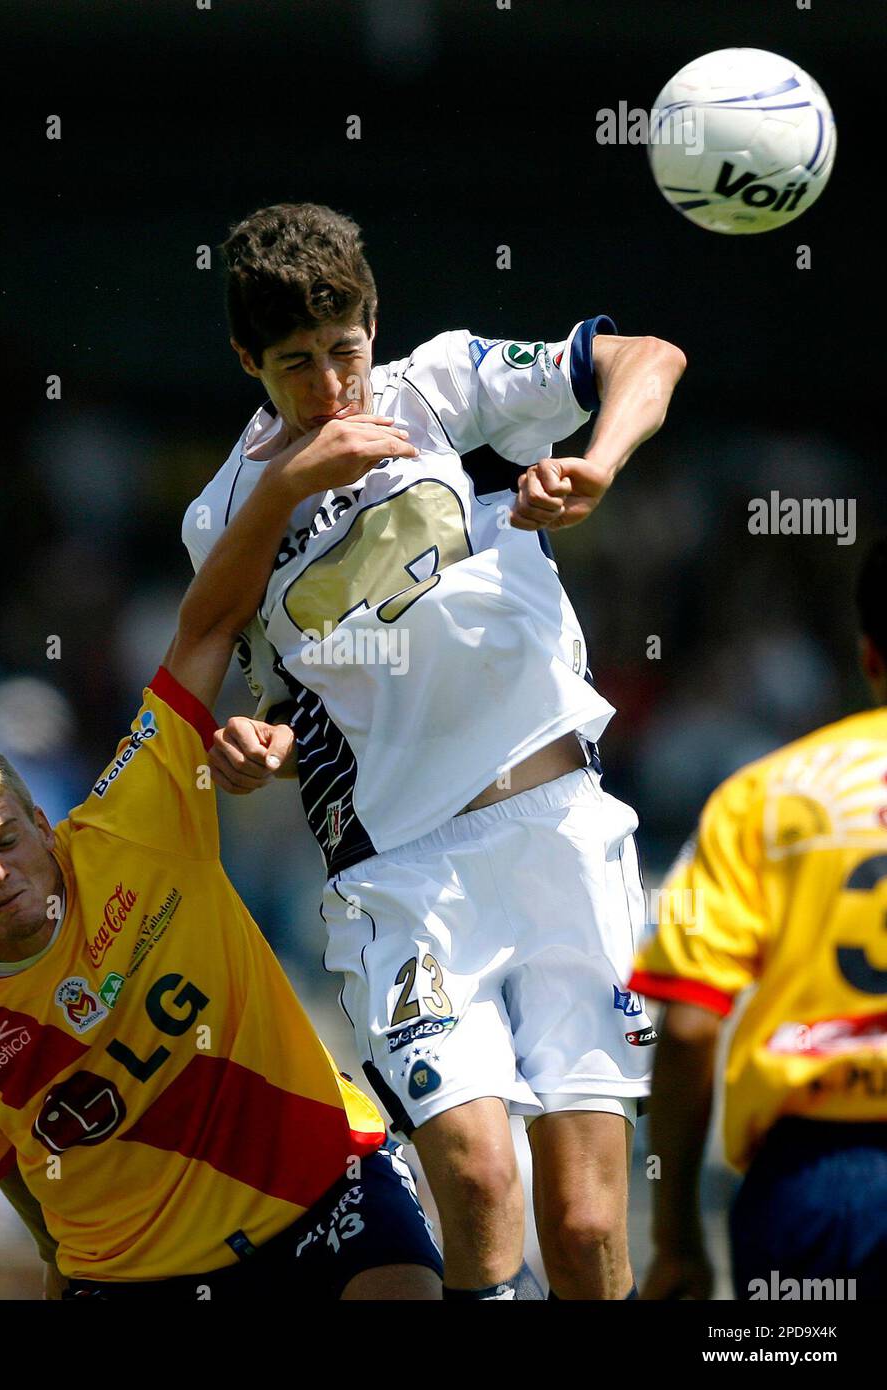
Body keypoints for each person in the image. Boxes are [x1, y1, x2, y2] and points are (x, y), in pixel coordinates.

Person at [182, 202, 687, 1299]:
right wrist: (251, 745)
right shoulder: (225, 511)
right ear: (244, 361)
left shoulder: (441, 385)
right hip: (403, 875)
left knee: (589, 1217)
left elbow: (649, 358)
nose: (330, 387)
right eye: (293, 364)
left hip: (558, 833)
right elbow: (266, 694)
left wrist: (594, 463)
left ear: (375, 322)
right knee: (475, 1175)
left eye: (344, 349)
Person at [0, 417, 444, 1300]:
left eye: (6, 841)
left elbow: (205, 629)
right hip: (138, 1272)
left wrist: (281, 490)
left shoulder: (135, 819)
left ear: (42, 820)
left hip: (320, 1181)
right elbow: (17, 1184)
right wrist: (72, 1272)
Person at [632, 536, 887, 1300]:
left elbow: (687, 1027)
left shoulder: (766, 796)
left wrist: (676, 1239)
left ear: (869, 654)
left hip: (813, 1189)